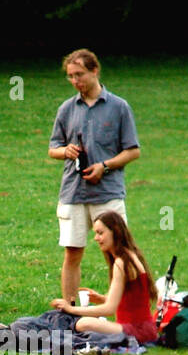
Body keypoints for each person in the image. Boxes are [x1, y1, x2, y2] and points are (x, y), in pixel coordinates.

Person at [48, 49, 140, 305]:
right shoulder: (66, 109)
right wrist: (65, 151)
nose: (75, 81)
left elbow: (133, 150)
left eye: (80, 75)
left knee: (118, 254)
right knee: (72, 253)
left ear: (95, 71)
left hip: (108, 192)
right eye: (70, 76)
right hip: (73, 193)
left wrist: (105, 166)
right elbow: (52, 148)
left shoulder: (119, 107)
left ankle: (121, 305)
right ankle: (69, 309)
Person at [49, 210, 158, 344]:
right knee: (84, 322)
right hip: (143, 328)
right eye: (95, 233)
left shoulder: (122, 263)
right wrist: (102, 299)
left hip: (138, 331)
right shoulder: (128, 256)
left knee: (83, 323)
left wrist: (71, 309)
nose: (96, 238)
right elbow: (131, 301)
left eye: (100, 233)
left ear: (115, 231)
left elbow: (109, 309)